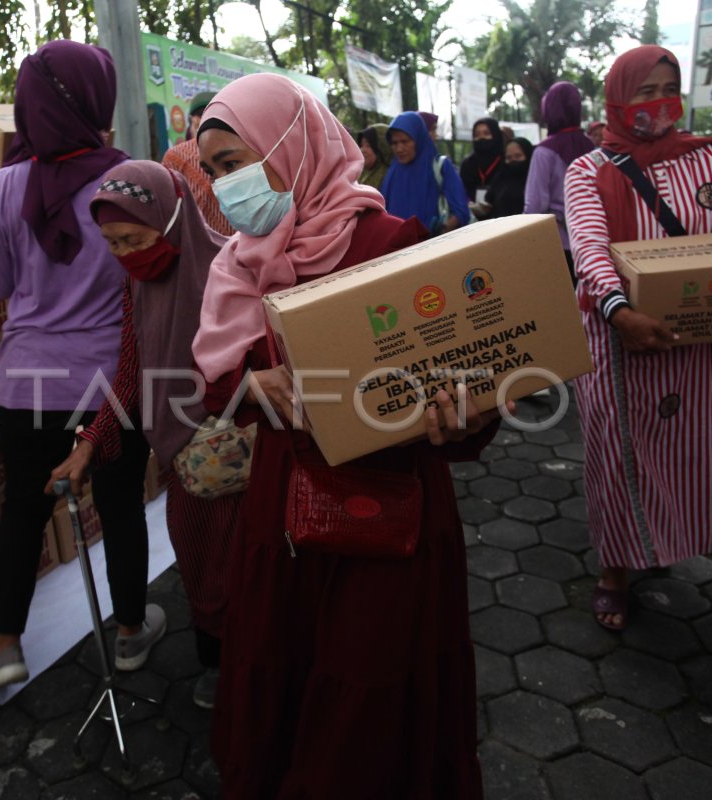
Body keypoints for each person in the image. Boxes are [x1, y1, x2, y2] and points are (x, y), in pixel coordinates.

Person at [194, 72, 498, 799]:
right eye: (212, 173)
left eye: (233, 163)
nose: (223, 187)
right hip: (282, 514)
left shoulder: (394, 242)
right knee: (286, 679)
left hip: (388, 517)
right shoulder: (236, 263)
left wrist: (469, 411)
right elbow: (213, 383)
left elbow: (460, 381)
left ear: (291, 145)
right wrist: (247, 381)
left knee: (368, 699)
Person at [0, 40, 165, 692]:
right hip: (110, 381)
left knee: (22, 511)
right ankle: (129, 636)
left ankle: (6, 646)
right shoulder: (133, 179)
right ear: (98, 97)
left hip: (25, 381)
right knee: (121, 507)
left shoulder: (6, 186)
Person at [563, 46, 712, 632]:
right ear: (617, 99)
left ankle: (660, 541)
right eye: (644, 91)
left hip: (688, 333)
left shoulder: (706, 159)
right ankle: (615, 569)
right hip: (616, 338)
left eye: (668, 87)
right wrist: (620, 309)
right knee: (620, 455)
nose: (658, 102)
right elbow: (589, 249)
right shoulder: (588, 170)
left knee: (679, 447)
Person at [46, 161, 240, 710]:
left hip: (250, 454)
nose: (124, 255)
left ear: (172, 214)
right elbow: (130, 374)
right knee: (201, 566)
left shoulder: (237, 265)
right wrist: (90, 440)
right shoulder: (139, 285)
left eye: (133, 239)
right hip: (186, 463)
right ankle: (216, 664)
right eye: (111, 244)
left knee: (255, 571)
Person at [525, 81, 596, 282]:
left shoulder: (544, 152)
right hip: (592, 242)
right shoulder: (592, 147)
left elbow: (535, 206)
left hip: (557, 244)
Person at [380, 111, 470, 234]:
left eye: (405, 141)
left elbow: (461, 211)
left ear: (419, 139)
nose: (399, 149)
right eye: (394, 143)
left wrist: (441, 230)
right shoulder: (392, 174)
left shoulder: (441, 167)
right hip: (399, 249)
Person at [164, 91, 234, 236]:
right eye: (200, 114)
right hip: (204, 240)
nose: (204, 118)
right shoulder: (176, 156)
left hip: (228, 238)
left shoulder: (177, 155)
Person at [460, 116, 505, 218]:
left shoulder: (506, 161)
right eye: (477, 135)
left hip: (502, 218)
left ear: (496, 135)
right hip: (473, 219)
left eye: (486, 134)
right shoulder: (468, 164)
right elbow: (461, 190)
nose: (481, 138)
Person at [486, 136, 533, 217]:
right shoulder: (500, 178)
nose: (513, 160)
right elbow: (490, 200)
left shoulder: (534, 181)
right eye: (508, 158)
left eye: (518, 156)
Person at [356, 123, 392, 190]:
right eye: (361, 145)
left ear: (382, 148)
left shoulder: (390, 178)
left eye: (368, 146)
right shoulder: (360, 174)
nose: (362, 150)